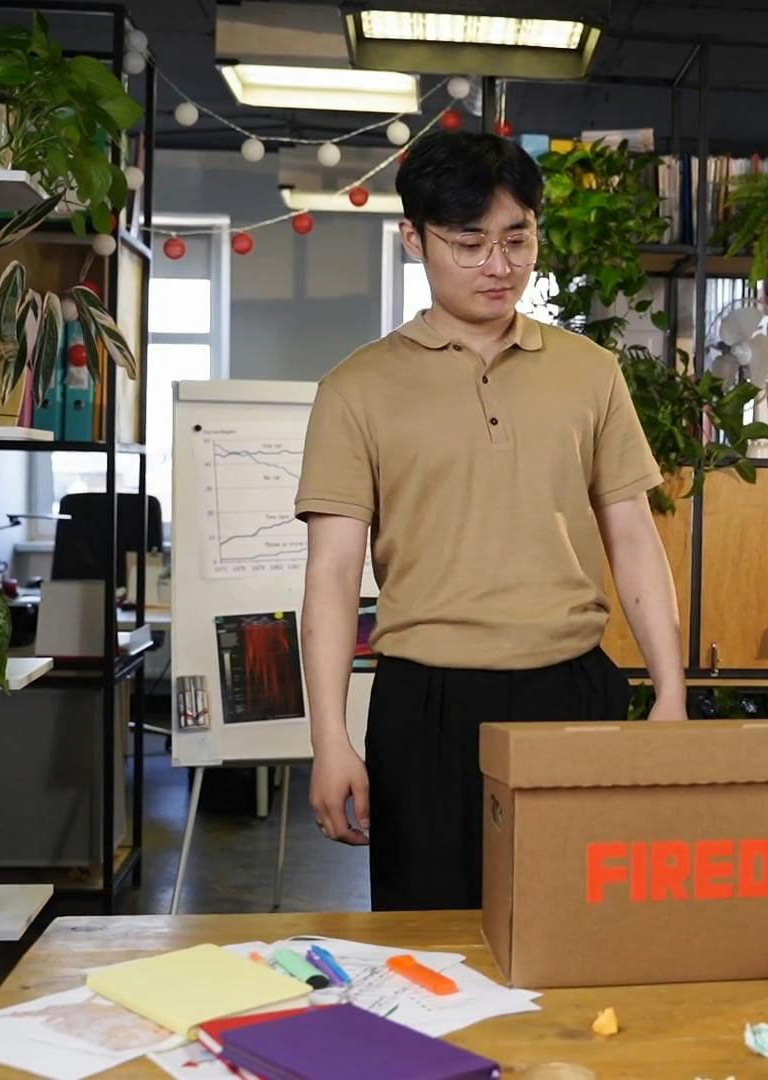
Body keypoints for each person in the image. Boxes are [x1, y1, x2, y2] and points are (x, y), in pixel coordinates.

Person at [295, 132, 687, 912]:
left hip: (572, 692)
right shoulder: (356, 388)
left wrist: (672, 693)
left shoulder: (590, 373)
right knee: (429, 941)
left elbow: (633, 536)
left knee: (578, 928)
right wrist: (329, 739)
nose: (497, 266)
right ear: (415, 239)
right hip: (426, 706)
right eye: (469, 243)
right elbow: (333, 575)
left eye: (517, 239)